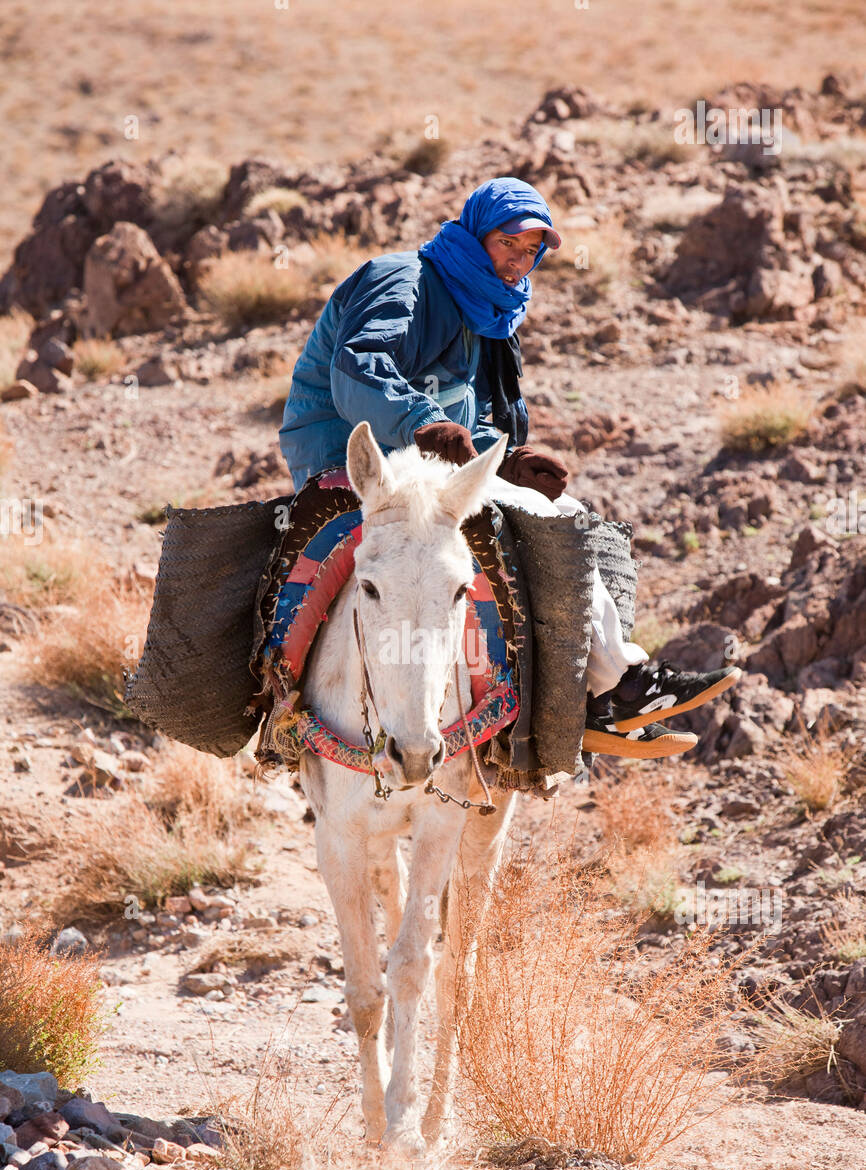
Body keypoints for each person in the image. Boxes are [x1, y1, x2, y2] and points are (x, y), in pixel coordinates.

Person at [279, 177, 739, 758]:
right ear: (475, 233)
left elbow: (467, 418)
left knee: (554, 509)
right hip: (354, 452)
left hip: (425, 458)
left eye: (530, 252)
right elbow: (359, 371)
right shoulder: (403, 280)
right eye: (507, 243)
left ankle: (581, 697)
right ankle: (618, 687)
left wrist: (512, 459)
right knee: (549, 518)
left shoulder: (489, 312)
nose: (518, 262)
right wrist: (426, 425)